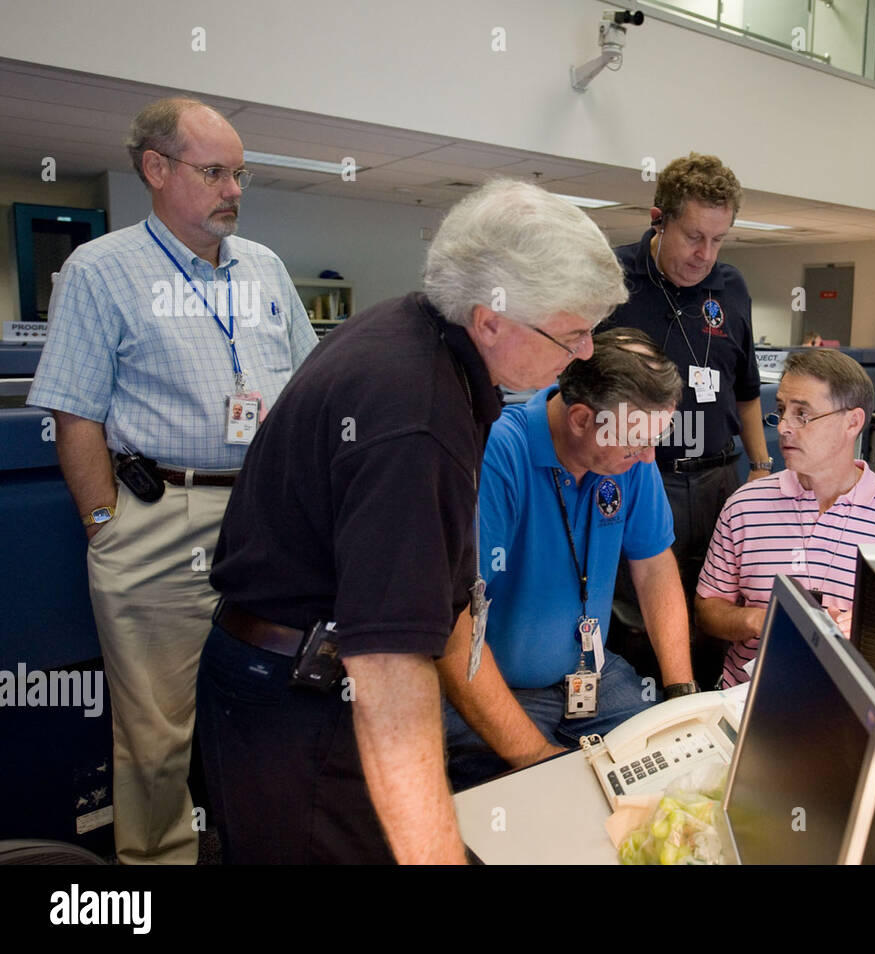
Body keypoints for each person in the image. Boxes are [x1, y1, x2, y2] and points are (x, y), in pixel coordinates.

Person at [194, 179, 629, 864]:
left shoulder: (414, 333)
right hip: (301, 699)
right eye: (573, 333)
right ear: (491, 320)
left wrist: (533, 757)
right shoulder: (416, 416)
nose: (582, 355)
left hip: (286, 674)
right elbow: (390, 666)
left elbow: (440, 605)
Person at [25, 96, 317, 864]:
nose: (234, 189)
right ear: (156, 169)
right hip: (161, 514)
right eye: (214, 171)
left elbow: (311, 383)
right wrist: (105, 528)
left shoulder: (264, 267)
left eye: (240, 173)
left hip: (264, 514)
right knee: (156, 736)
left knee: (271, 699)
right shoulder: (101, 269)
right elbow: (74, 414)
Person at [437, 329, 695, 791]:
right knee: (530, 808)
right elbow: (453, 623)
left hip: (592, 677)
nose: (649, 457)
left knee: (672, 771)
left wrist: (680, 694)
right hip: (501, 686)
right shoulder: (499, 453)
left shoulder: (629, 454)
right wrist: (535, 756)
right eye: (637, 444)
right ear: (580, 419)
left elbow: (655, 568)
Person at [601, 153, 768, 683]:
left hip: (721, 476)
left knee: (717, 608)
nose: (705, 254)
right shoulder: (612, 279)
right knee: (640, 616)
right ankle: (643, 722)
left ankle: (707, 716)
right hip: (641, 474)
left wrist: (761, 471)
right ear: (659, 217)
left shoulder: (730, 286)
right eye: (694, 236)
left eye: (719, 240)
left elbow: (745, 391)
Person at [696, 350, 875, 688]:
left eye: (802, 414)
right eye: (781, 411)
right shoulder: (744, 505)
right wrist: (757, 620)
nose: (783, 428)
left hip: (852, 700)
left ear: (852, 422)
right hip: (747, 695)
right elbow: (709, 609)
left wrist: (871, 632)